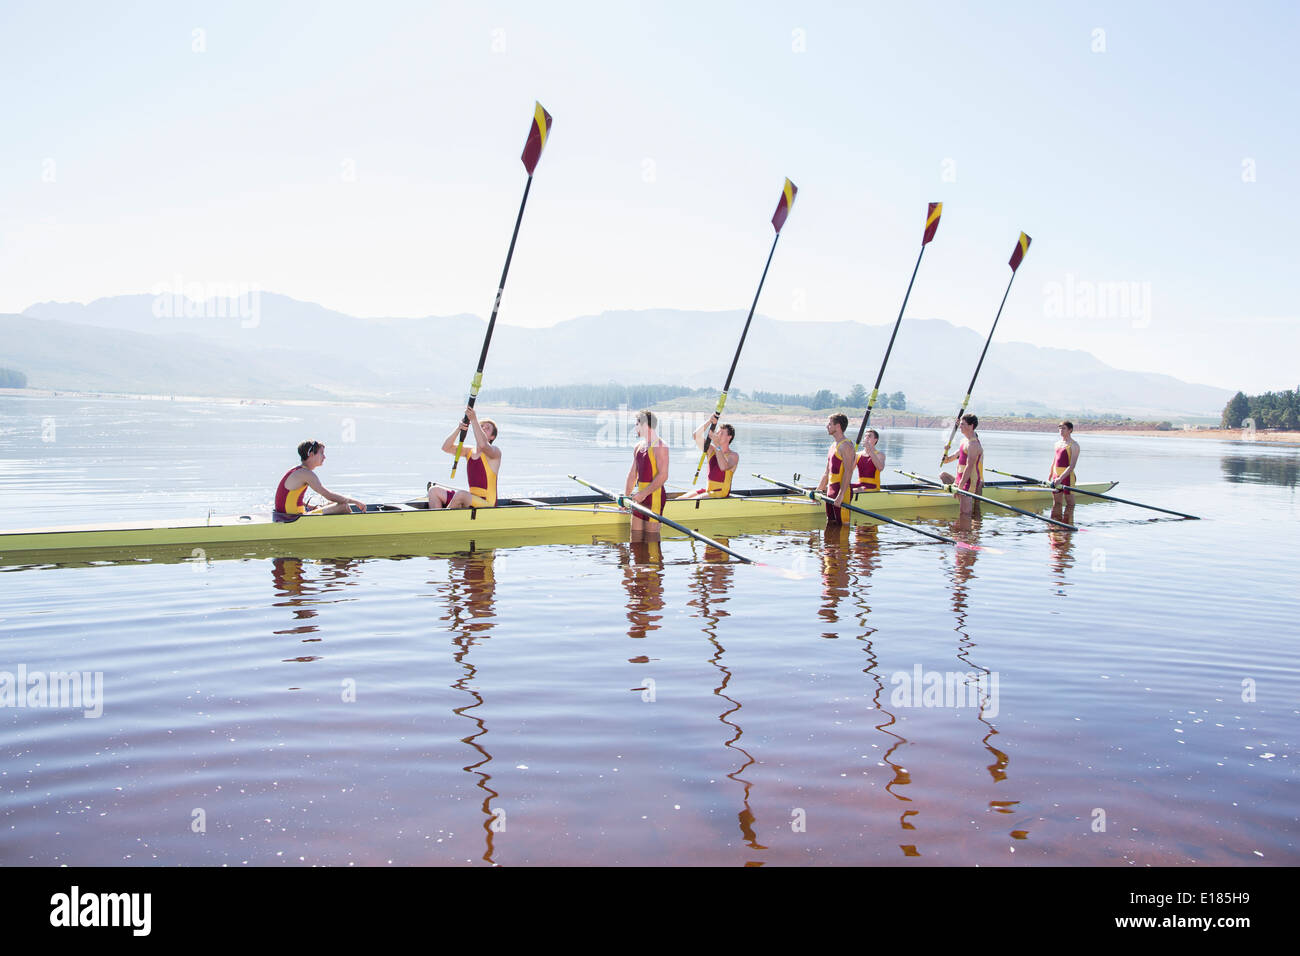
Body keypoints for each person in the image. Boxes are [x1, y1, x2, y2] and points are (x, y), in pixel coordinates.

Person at [428, 406, 501, 510]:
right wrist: (459, 428)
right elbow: (446, 447)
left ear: (492, 437)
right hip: (471, 499)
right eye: (482, 426)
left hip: (487, 503)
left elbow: (483, 445)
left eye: (487, 428)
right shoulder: (469, 451)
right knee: (433, 490)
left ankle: (442, 521)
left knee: (461, 494)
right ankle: (435, 520)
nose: (484, 428)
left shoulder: (495, 452)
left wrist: (474, 419)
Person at [273, 440, 366, 519]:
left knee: (331, 503)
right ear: (311, 454)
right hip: (291, 518)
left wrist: (311, 507)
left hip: (286, 516)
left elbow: (292, 499)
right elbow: (328, 494)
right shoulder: (306, 473)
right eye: (321, 453)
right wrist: (355, 501)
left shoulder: (298, 471)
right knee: (343, 506)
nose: (324, 457)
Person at [625, 409, 669, 537]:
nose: (635, 427)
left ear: (644, 425)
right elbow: (633, 475)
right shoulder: (638, 446)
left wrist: (643, 494)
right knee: (635, 539)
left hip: (654, 497)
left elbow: (663, 475)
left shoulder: (660, 446)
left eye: (636, 424)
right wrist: (626, 497)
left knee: (651, 542)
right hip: (639, 497)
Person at [681, 413, 738, 499]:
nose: (718, 434)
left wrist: (718, 445)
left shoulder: (733, 456)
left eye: (722, 433)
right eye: (718, 432)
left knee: (692, 501)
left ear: (729, 437)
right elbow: (696, 435)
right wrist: (709, 421)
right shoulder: (711, 450)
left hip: (721, 492)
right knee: (680, 499)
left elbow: (723, 467)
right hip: (708, 491)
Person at [816, 413, 857, 523]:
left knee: (842, 526)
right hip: (830, 491)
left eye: (829, 424)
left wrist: (840, 495)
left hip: (841, 491)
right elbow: (827, 472)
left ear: (838, 426)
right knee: (830, 524)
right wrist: (818, 490)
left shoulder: (846, 446)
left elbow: (848, 472)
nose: (827, 426)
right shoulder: (833, 445)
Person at [940, 413, 983, 515]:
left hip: (969, 482)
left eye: (963, 424)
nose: (960, 426)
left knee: (965, 514)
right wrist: (945, 452)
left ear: (971, 426)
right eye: (960, 424)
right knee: (962, 514)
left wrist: (960, 487)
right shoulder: (964, 441)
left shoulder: (973, 445)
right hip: (960, 480)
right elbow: (947, 460)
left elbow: (969, 467)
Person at [1048, 420, 1080, 521]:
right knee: (1057, 503)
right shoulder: (1057, 444)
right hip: (1055, 476)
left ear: (1070, 430)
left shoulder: (1074, 445)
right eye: (1060, 428)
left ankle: (1068, 525)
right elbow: (1054, 460)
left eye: (1064, 428)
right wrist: (1051, 474)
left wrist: (1061, 479)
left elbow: (1072, 466)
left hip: (1067, 477)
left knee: (1070, 504)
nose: (1061, 430)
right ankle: (1055, 525)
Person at [851, 428, 885, 496]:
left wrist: (870, 451)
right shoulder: (857, 455)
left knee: (849, 490)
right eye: (865, 436)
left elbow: (880, 468)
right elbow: (849, 470)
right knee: (839, 488)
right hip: (860, 484)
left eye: (869, 436)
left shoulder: (880, 455)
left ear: (875, 440)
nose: (866, 438)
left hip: (873, 486)